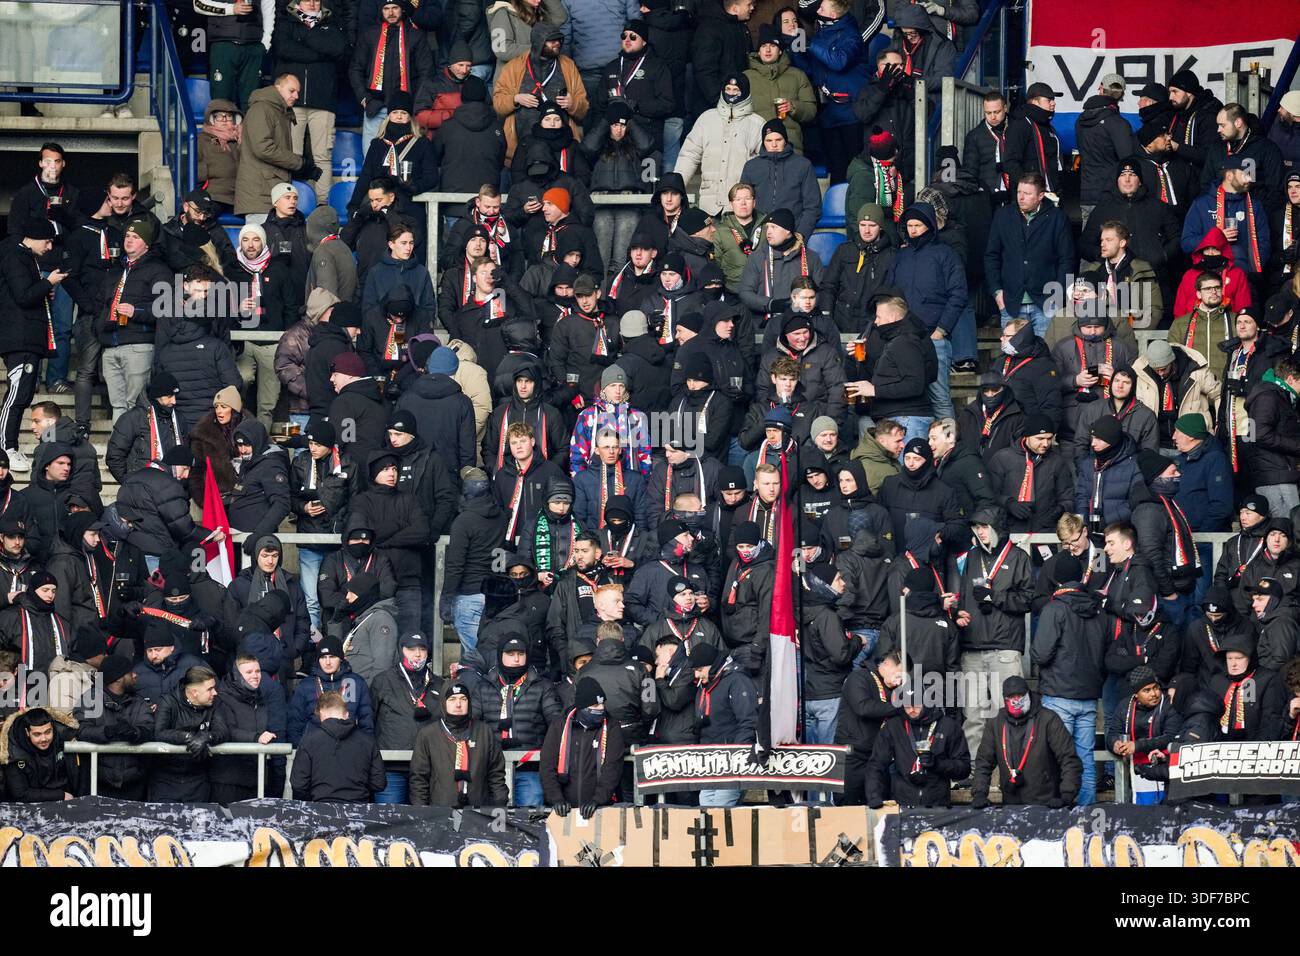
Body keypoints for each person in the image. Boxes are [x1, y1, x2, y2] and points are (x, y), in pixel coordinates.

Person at [1033, 551, 1106, 806]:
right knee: (1084, 757)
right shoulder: (1097, 610)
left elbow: (1041, 654)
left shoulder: (1054, 609)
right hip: (1088, 696)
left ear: (1055, 580)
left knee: (1058, 757)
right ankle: (1085, 813)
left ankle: (1060, 813)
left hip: (1058, 695)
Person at [468, 634, 563, 806]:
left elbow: (557, 725)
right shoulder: (483, 686)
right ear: (500, 656)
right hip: (490, 769)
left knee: (530, 817)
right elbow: (471, 726)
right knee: (490, 823)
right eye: (511, 654)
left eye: (521, 653)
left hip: (530, 767)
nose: (517, 659)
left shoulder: (542, 686)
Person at [970, 675, 1082, 809]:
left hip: (1046, 804)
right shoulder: (996, 722)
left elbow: (1068, 758)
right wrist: (979, 793)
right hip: (1011, 804)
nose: (1016, 701)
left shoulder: (1048, 719)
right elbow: (984, 761)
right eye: (1011, 697)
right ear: (1004, 699)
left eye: (1020, 695)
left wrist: (1067, 795)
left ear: (1028, 694)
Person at [985, 173, 1074, 338]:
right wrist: (997, 291)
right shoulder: (1003, 216)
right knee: (1014, 356)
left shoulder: (1057, 218)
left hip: (1046, 302)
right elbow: (991, 256)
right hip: (1011, 302)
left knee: (1046, 356)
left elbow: (1066, 260)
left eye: (1027, 193)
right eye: (1019, 192)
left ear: (1040, 195)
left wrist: (1057, 295)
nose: (1021, 197)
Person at [675, 73, 766, 217]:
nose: (731, 93)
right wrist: (676, 187)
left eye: (735, 90)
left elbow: (764, 165)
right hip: (709, 205)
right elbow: (689, 155)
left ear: (745, 92)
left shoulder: (757, 124)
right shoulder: (706, 118)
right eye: (728, 89)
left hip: (740, 206)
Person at [865, 688, 969, 809]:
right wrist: (874, 795)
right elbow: (876, 764)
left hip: (937, 805)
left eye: (916, 706)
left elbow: (964, 768)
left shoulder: (948, 726)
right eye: (907, 706)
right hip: (901, 804)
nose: (912, 710)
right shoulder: (893, 727)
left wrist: (938, 764)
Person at [410, 681, 509, 807]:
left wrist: (499, 806)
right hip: (440, 811)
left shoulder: (484, 731)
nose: (458, 704)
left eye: (463, 699)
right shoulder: (428, 734)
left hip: (478, 811)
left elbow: (496, 773)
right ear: (443, 702)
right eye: (452, 699)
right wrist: (422, 812)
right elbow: (419, 779)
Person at [349, 1, 435, 146]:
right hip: (375, 108)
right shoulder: (370, 35)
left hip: (405, 111)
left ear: (402, 9)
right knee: (372, 160)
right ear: (381, 11)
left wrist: (414, 103)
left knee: (404, 162)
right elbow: (355, 69)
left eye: (395, 8)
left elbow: (426, 73)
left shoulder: (415, 36)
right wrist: (365, 99)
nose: (391, 12)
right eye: (386, 8)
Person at [540, 675, 626, 814]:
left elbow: (612, 768)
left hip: (601, 808)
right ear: (582, 706)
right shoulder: (559, 725)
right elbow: (547, 765)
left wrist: (598, 800)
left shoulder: (612, 726)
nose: (601, 708)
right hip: (563, 809)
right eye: (596, 705)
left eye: (603, 703)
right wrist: (556, 799)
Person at [208, 651, 287, 804]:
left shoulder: (261, 699)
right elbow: (226, 731)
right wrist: (256, 738)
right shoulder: (222, 698)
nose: (255, 675)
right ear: (237, 675)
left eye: (257, 671)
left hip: (256, 781)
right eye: (249, 672)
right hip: (228, 782)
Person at [688, 643, 759, 807]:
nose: (697, 675)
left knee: (721, 807)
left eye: (699, 669)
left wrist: (738, 755)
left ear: (712, 665)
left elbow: (748, 720)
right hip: (710, 761)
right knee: (705, 805)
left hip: (731, 761)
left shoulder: (737, 680)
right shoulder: (706, 686)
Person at [235, 74, 311, 221]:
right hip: (259, 196)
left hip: (269, 192)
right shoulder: (261, 109)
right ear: (278, 88)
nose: (296, 96)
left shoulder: (277, 110)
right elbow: (263, 148)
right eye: (291, 90)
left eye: (298, 92)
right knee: (259, 243)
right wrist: (298, 162)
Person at [74, 657, 152, 800]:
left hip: (133, 784)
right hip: (99, 784)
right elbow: (81, 730)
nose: (135, 675)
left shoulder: (139, 702)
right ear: (118, 679)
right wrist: (107, 732)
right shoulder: (90, 700)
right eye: (130, 673)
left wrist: (135, 733)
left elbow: (149, 728)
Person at [290, 691, 388, 803]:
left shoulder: (309, 740)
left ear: (321, 714)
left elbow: (299, 785)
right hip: (358, 811)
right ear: (346, 714)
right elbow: (379, 784)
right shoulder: (367, 740)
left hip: (319, 811)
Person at [1183, 156, 1271, 278]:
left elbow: (1264, 242)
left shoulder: (1255, 205)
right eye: (1245, 174)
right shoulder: (1201, 204)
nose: (1250, 179)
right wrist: (1216, 238)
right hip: (1209, 279)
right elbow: (1186, 243)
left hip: (1245, 277)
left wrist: (1250, 270)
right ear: (1229, 176)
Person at [150, 665, 226, 801]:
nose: (215, 693)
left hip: (198, 780)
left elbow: (223, 731)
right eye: (210, 689)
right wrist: (188, 737)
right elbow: (159, 732)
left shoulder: (213, 703)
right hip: (165, 781)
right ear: (194, 692)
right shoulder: (169, 702)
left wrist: (205, 737)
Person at [1106, 666, 1182, 803]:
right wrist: (1115, 744)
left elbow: (1171, 736)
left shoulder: (1169, 704)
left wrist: (1137, 745)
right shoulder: (1124, 707)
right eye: (1146, 690)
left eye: (1156, 688)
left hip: (1166, 767)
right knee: (1145, 811)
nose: (1154, 694)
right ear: (1136, 695)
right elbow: (1112, 733)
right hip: (1139, 770)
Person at [987, 414, 1073, 534]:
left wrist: (1060, 510)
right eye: (1040, 438)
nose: (1046, 444)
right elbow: (989, 495)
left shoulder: (1057, 461)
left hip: (1045, 531)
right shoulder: (1002, 458)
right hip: (1010, 530)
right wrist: (1008, 503)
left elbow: (1067, 497)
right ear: (1027, 436)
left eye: (1049, 438)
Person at [287, 635, 375, 745]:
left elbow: (366, 723)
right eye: (323, 657)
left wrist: (362, 750)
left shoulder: (357, 683)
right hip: (315, 751)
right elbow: (295, 725)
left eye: (332, 657)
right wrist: (305, 751)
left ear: (341, 658)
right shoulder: (306, 686)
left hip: (350, 750)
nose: (327, 662)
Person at [1198, 103, 1286, 214]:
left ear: (1238, 123)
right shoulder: (1216, 148)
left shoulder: (1266, 148)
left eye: (1222, 125)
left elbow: (1276, 191)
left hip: (1254, 217)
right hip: (1219, 215)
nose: (1218, 130)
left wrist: (1258, 216)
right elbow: (1206, 185)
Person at [1241, 357, 1300, 516]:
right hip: (1275, 477)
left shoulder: (1280, 397)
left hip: (1279, 473)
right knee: (1286, 527)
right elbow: (1258, 434)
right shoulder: (1268, 397)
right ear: (1290, 379)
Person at [1074, 74, 1135, 222]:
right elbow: (1127, 160)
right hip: (1112, 195)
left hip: (1087, 192)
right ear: (1121, 95)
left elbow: (1083, 152)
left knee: (1089, 241)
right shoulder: (1118, 123)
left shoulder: (1081, 121)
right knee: (1114, 241)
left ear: (1101, 89)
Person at [1172, 413, 1233, 533]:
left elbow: (1221, 505)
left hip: (1204, 538)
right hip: (1183, 534)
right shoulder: (1180, 460)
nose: (1173, 436)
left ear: (1190, 436)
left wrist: (1204, 536)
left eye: (1177, 432)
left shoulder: (1216, 460)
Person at [1, 707, 78, 802]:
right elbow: (20, 793)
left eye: (48, 732)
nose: (44, 739)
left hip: (65, 799)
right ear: (27, 732)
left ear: (53, 728)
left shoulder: (62, 738)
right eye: (37, 734)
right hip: (25, 807)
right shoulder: (14, 752)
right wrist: (60, 795)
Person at [196, 101, 243, 214]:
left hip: (240, 198)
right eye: (219, 116)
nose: (225, 120)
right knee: (204, 217)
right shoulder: (201, 140)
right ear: (210, 119)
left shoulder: (242, 139)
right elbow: (198, 171)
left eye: (229, 116)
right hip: (214, 196)